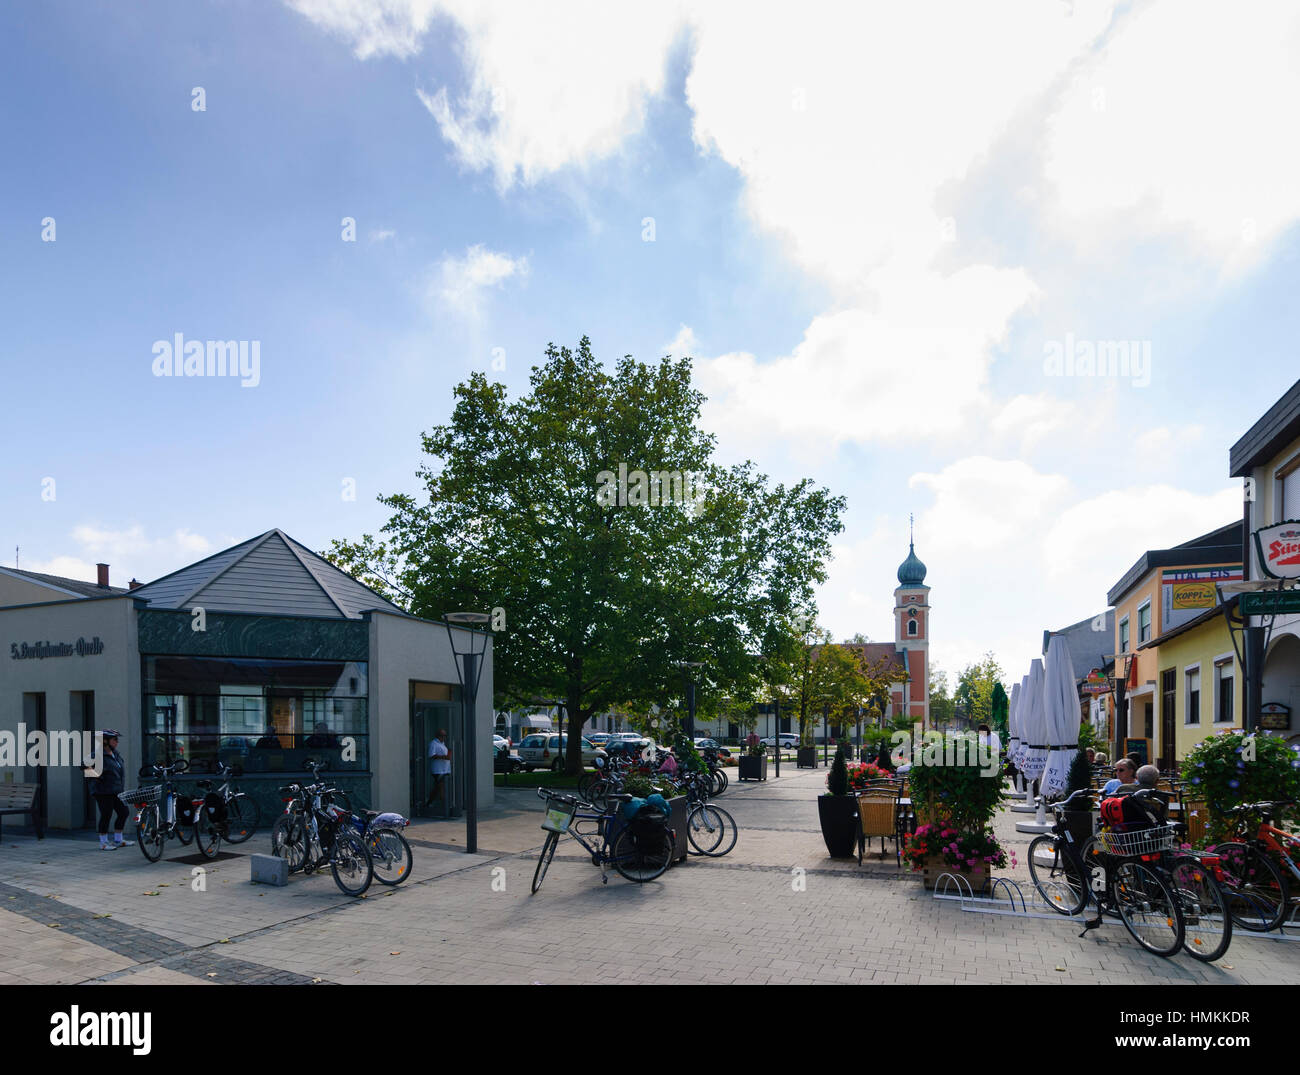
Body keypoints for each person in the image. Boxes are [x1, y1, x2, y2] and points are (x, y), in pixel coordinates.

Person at [86, 730, 128, 850]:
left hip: (116, 790)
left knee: (124, 812)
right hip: (103, 791)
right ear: (105, 741)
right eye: (115, 739)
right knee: (106, 815)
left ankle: (118, 839)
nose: (117, 742)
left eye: (117, 739)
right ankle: (103, 843)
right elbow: (83, 765)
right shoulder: (97, 754)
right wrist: (97, 775)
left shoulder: (115, 754)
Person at [426, 729, 451, 812]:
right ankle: (444, 807)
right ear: (438, 736)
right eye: (443, 735)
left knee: (438, 788)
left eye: (445, 735)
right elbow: (431, 755)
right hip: (438, 770)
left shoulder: (442, 744)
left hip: (445, 769)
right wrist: (444, 757)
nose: (444, 737)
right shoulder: (433, 744)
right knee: (440, 787)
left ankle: (430, 803)